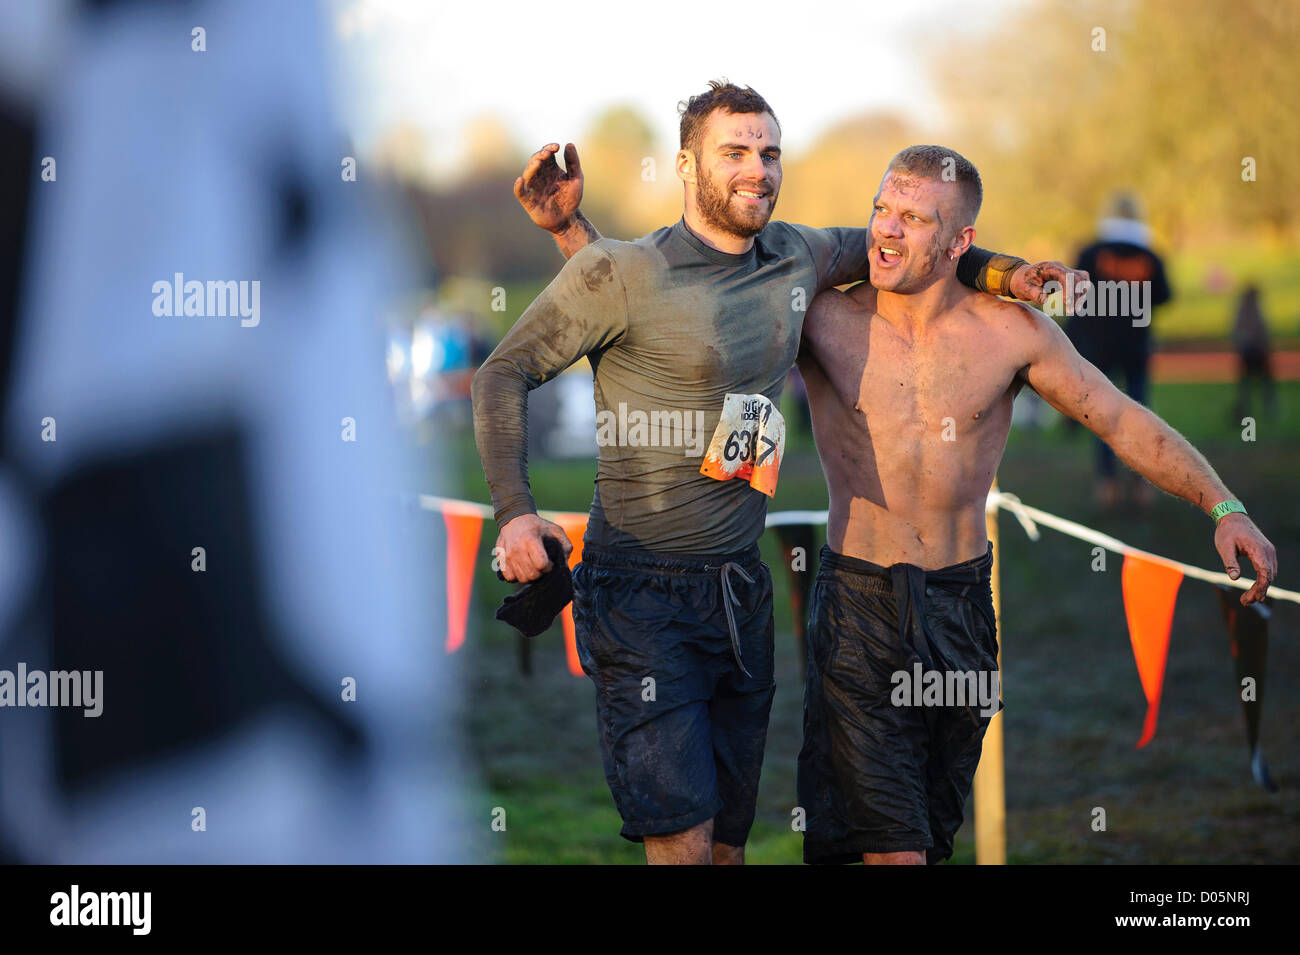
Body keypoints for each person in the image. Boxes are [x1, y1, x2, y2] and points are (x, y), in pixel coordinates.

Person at [474, 80, 1082, 865]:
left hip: (739, 591)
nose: (757, 168)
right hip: (640, 595)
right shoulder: (618, 270)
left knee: (727, 849)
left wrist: (1004, 273)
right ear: (687, 165)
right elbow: (502, 373)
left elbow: (906, 243)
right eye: (734, 152)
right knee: (685, 846)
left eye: (769, 152)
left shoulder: (798, 255)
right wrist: (515, 512)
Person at [792, 145, 1276, 864]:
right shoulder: (824, 320)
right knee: (890, 847)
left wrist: (1223, 505)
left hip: (961, 606)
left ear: (960, 242)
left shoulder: (1010, 332)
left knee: (926, 832)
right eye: (880, 209)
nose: (886, 231)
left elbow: (1118, 418)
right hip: (858, 606)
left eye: (914, 219)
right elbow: (732, 286)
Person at [1066, 192, 1172, 509]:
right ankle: (1142, 484)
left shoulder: (1091, 251)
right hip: (1136, 346)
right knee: (1141, 413)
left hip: (1098, 347)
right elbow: (1165, 296)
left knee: (1103, 415)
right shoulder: (1149, 254)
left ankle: (1107, 484)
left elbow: (1075, 294)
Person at [1232, 283, 1277, 421]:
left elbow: (1237, 333)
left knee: (1250, 387)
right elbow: (1261, 333)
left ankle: (1248, 412)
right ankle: (1258, 411)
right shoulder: (1253, 310)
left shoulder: (1243, 310)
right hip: (1254, 352)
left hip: (1249, 352)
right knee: (1260, 385)